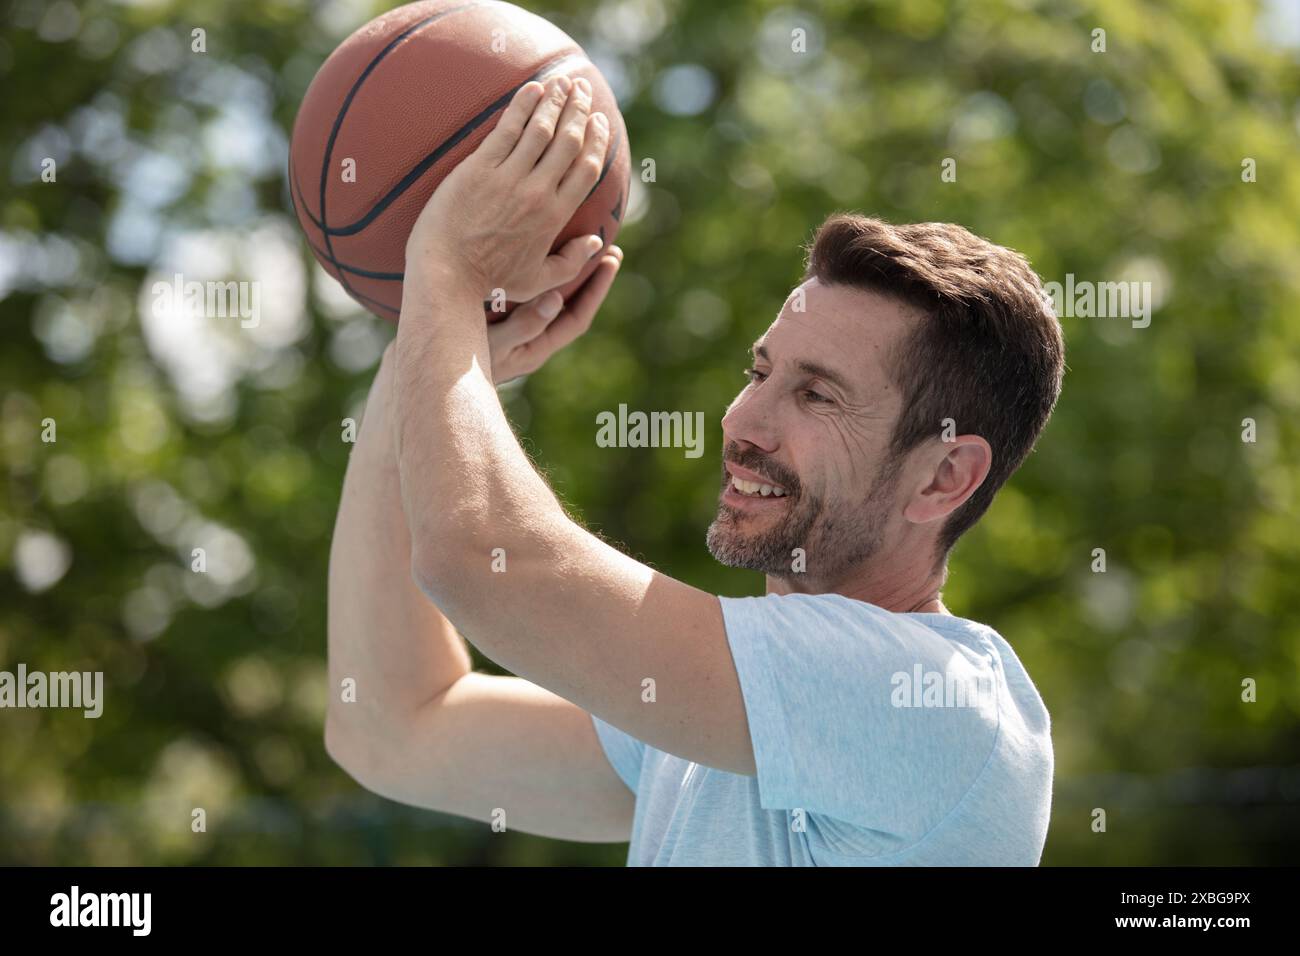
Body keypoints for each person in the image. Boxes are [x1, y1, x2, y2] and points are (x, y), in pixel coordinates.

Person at [325, 74, 1065, 865]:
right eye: (759, 373)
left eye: (816, 395)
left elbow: (477, 558)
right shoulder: (717, 725)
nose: (742, 422)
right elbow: (391, 725)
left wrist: (447, 271)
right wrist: (417, 355)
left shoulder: (931, 702)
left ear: (944, 476)